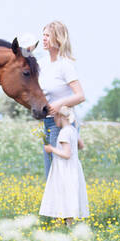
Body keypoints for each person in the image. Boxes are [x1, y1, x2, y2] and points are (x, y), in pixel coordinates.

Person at [36, 22, 85, 179]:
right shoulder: (41, 64)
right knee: (50, 173)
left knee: (60, 174)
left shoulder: (65, 65)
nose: (43, 39)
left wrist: (58, 104)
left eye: (47, 35)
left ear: (58, 38)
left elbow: (80, 95)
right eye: (43, 35)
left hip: (62, 123)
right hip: (47, 122)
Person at [39, 102, 89, 224]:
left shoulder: (63, 133)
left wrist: (51, 149)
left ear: (60, 117)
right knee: (70, 193)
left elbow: (66, 154)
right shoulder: (72, 130)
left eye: (55, 117)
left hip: (64, 168)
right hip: (73, 167)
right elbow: (81, 145)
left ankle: (60, 220)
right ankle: (69, 223)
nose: (54, 120)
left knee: (61, 192)